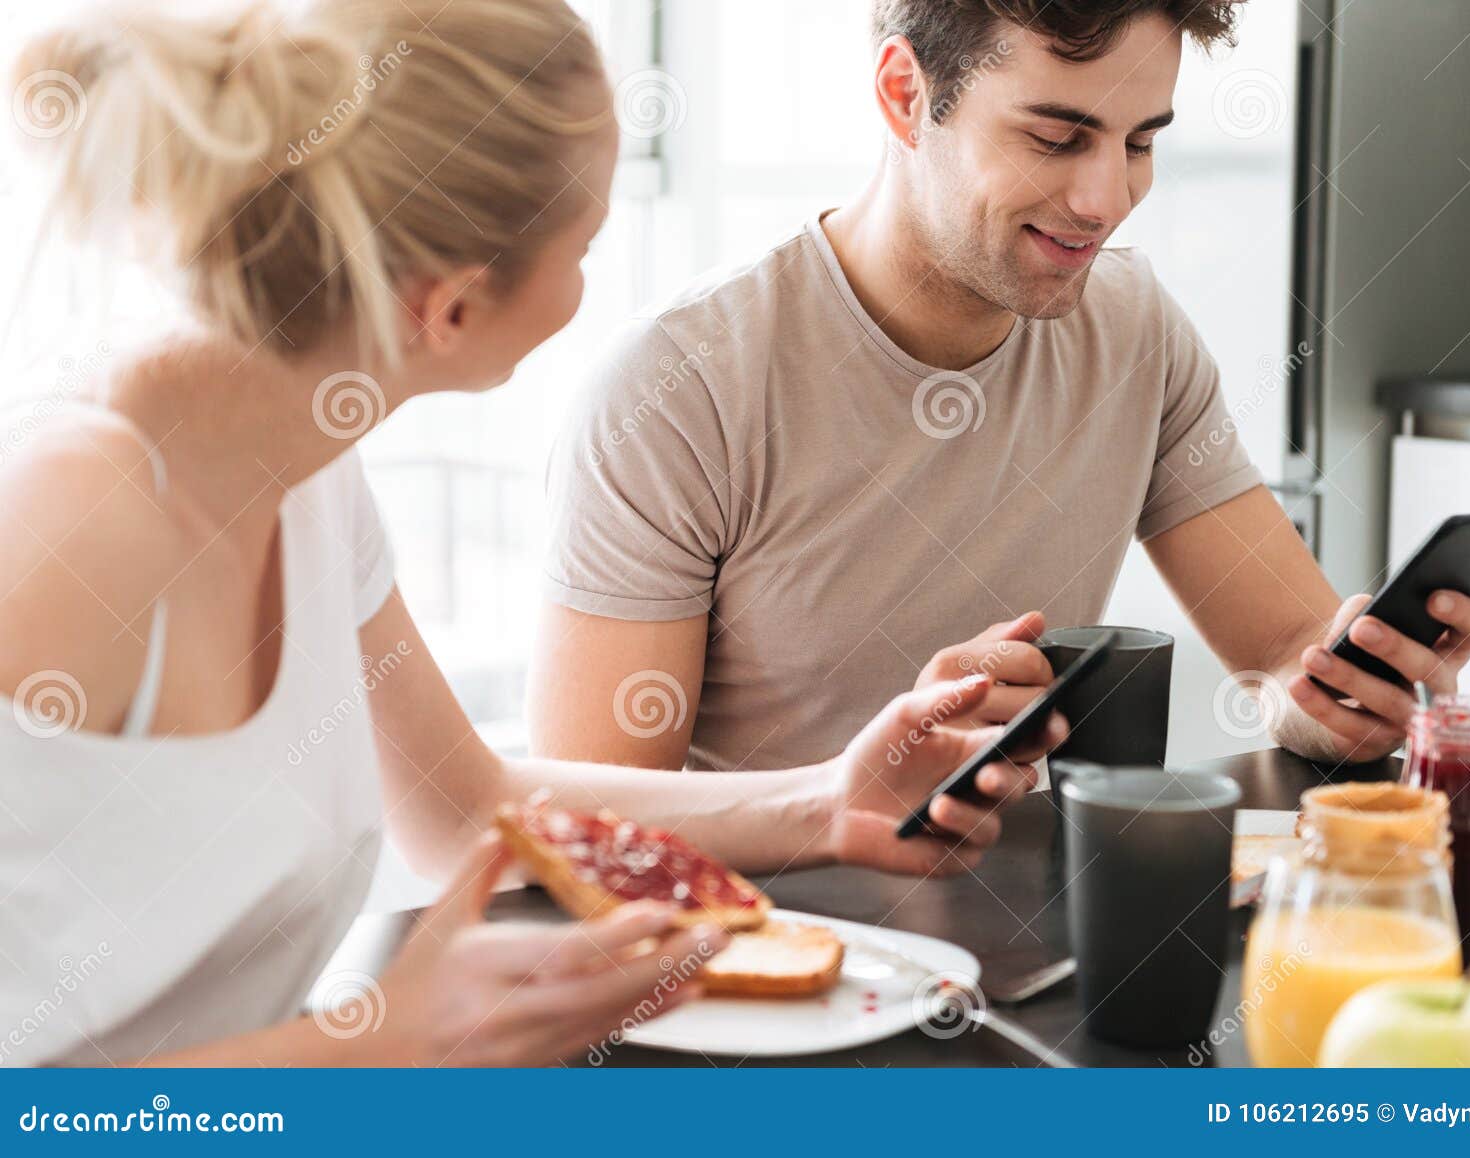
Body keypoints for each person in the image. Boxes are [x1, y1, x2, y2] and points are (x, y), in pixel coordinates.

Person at [0, 0, 1048, 1067]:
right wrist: (374, 1047)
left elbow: (466, 811)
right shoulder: (67, 525)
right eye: (583, 244)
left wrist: (824, 800)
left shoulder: (309, 476)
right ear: (448, 307)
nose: (589, 285)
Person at [531, 0, 1470, 774]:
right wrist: (864, 783)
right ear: (907, 94)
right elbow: (588, 827)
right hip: (767, 975)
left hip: (1023, 950)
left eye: (1141, 142)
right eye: (1055, 138)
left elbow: (1286, 646)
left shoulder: (1135, 331)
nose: (1108, 200)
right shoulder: (676, 389)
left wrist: (1344, 700)